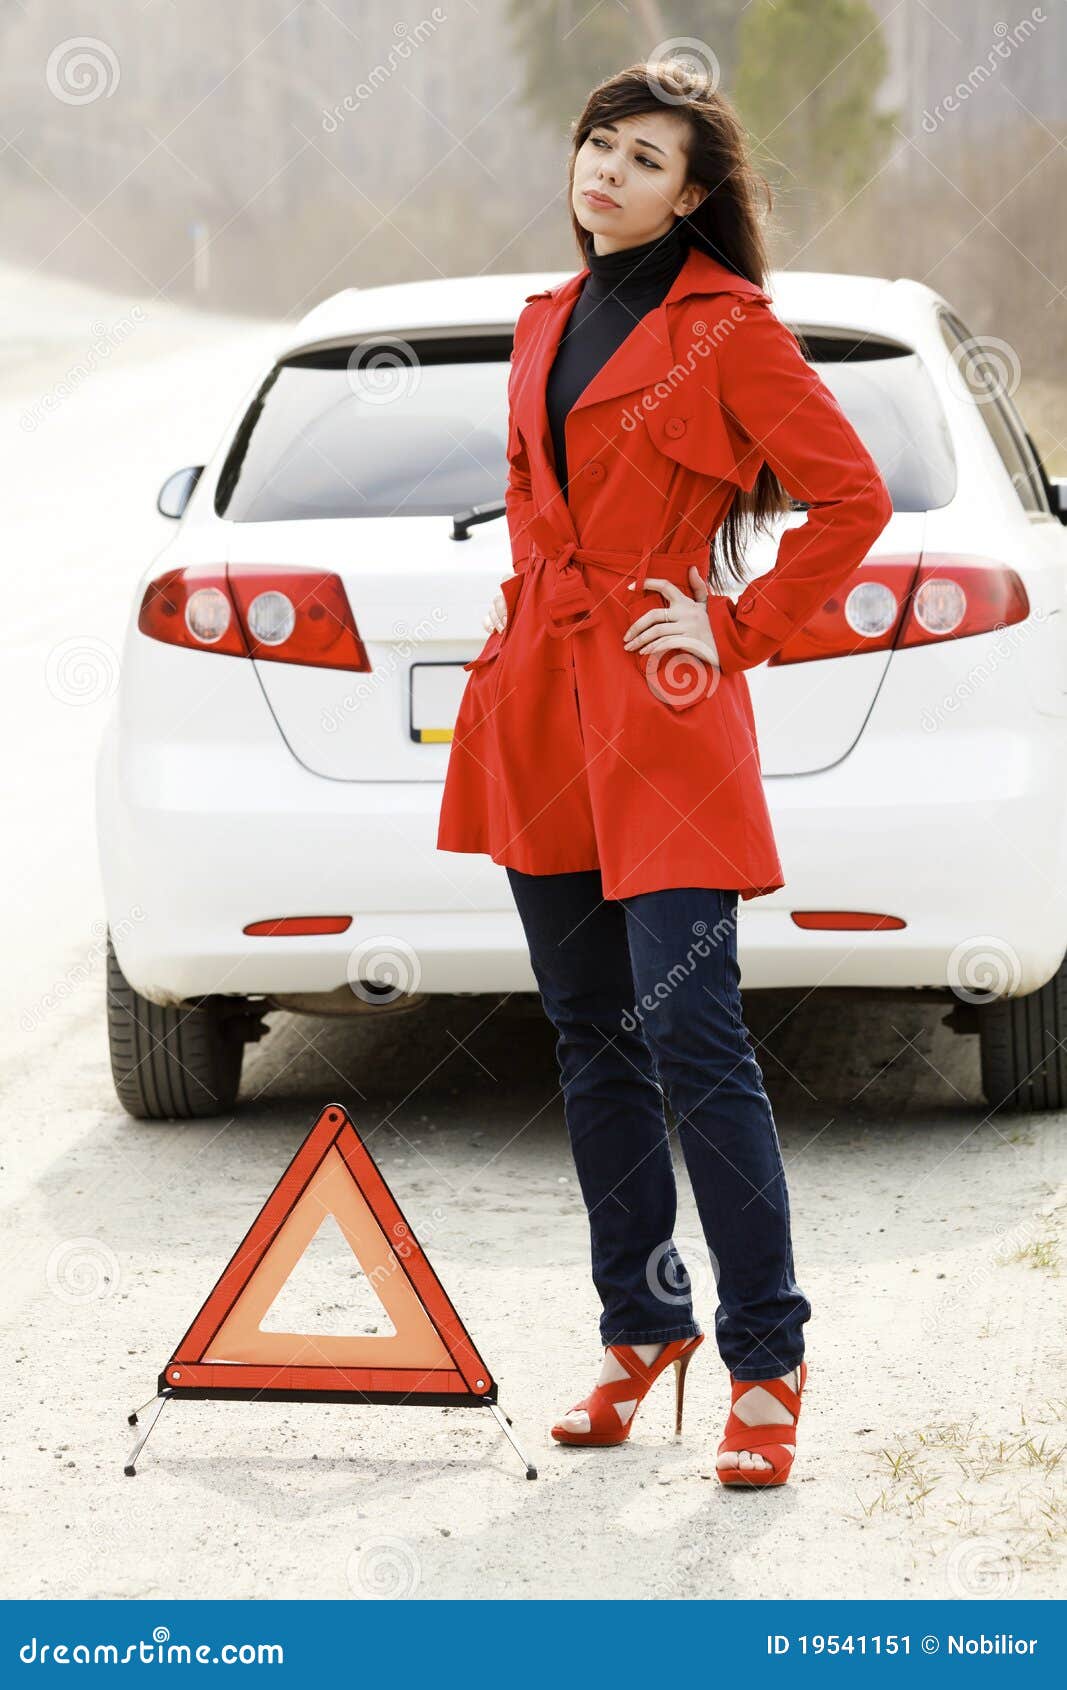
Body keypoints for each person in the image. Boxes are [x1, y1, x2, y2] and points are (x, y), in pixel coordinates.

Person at [436, 59, 893, 1487]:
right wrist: (521, 610)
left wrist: (737, 625)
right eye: (600, 144)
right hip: (543, 704)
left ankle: (768, 1356)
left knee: (694, 1035)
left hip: (667, 711)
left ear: (692, 198)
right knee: (590, 1035)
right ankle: (641, 1328)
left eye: (646, 159)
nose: (610, 171)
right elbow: (533, 493)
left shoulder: (731, 330)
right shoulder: (543, 320)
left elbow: (853, 495)